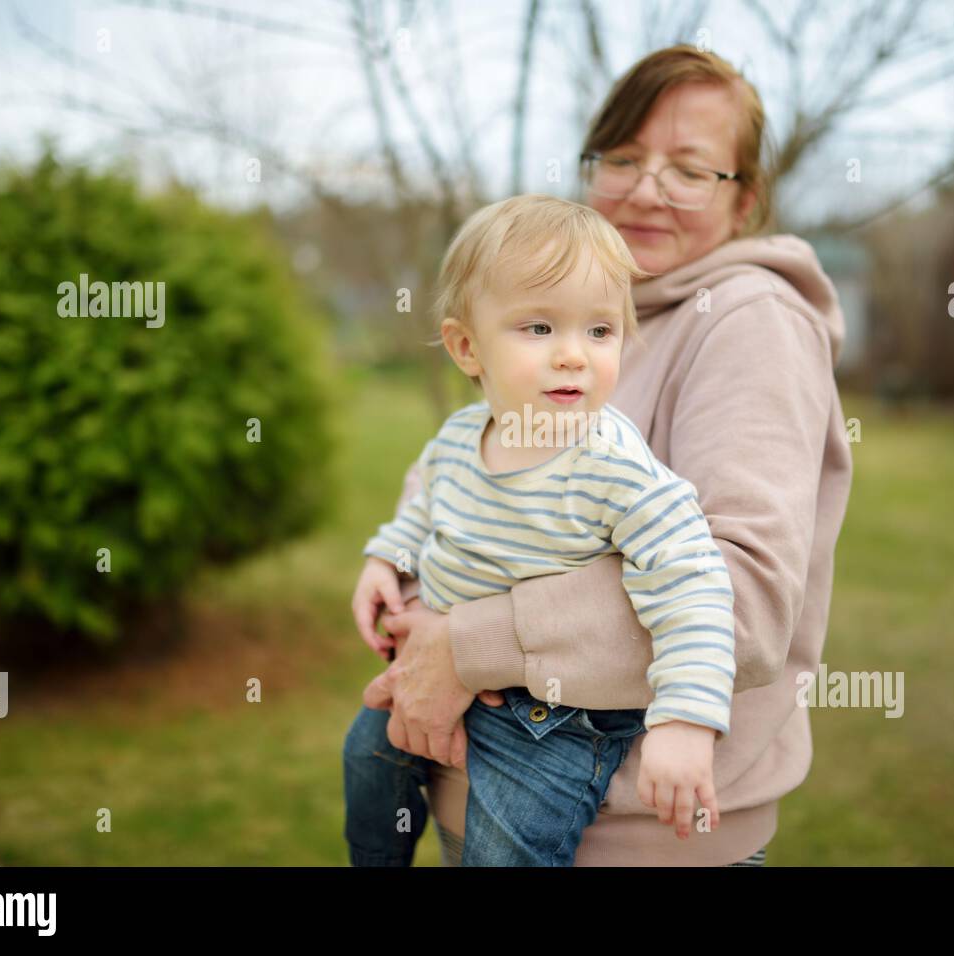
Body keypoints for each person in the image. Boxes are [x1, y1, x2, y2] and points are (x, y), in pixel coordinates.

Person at [361, 44, 853, 866]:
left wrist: (466, 644)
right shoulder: (567, 299)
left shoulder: (750, 319)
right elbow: (461, 478)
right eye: (622, 158)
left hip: (635, 834)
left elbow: (744, 599)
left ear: (747, 201)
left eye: (691, 169)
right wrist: (399, 569)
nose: (646, 189)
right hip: (477, 783)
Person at [344, 194, 737, 866]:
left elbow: (693, 584)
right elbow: (426, 509)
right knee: (366, 757)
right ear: (466, 346)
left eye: (599, 331)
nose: (573, 357)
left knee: (504, 850)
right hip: (446, 673)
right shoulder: (462, 434)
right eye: (538, 329)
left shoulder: (614, 465)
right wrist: (388, 558)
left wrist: (686, 720)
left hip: (556, 719)